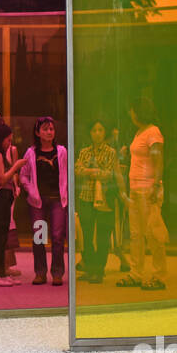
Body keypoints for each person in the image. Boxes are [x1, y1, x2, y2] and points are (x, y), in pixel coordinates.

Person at [120, 97, 167, 291]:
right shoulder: (139, 132)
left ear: (138, 111)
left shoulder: (153, 131)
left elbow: (158, 159)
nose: (130, 114)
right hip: (135, 189)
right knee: (136, 234)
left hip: (148, 189)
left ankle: (159, 276)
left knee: (153, 234)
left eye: (131, 110)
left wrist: (156, 185)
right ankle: (136, 273)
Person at [74, 120, 124, 284]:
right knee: (86, 236)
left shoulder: (111, 152)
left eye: (100, 130)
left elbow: (109, 174)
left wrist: (89, 171)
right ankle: (90, 267)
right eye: (94, 130)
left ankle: (99, 270)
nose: (97, 133)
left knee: (103, 234)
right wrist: (95, 171)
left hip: (104, 196)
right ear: (90, 132)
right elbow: (77, 170)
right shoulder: (84, 151)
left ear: (105, 132)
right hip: (86, 196)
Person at [21, 116, 69, 286]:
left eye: (51, 129)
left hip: (58, 200)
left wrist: (66, 191)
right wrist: (31, 191)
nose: (49, 132)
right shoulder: (31, 152)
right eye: (45, 129)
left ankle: (57, 273)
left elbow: (67, 174)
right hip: (38, 202)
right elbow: (24, 176)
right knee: (39, 237)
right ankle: (40, 272)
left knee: (57, 237)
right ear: (37, 132)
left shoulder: (62, 151)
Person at [0, 121, 26, 287]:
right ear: (1, 139)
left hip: (4, 198)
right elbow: (1, 179)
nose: (10, 143)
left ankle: (0, 272)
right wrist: (16, 166)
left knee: (1, 237)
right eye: (8, 140)